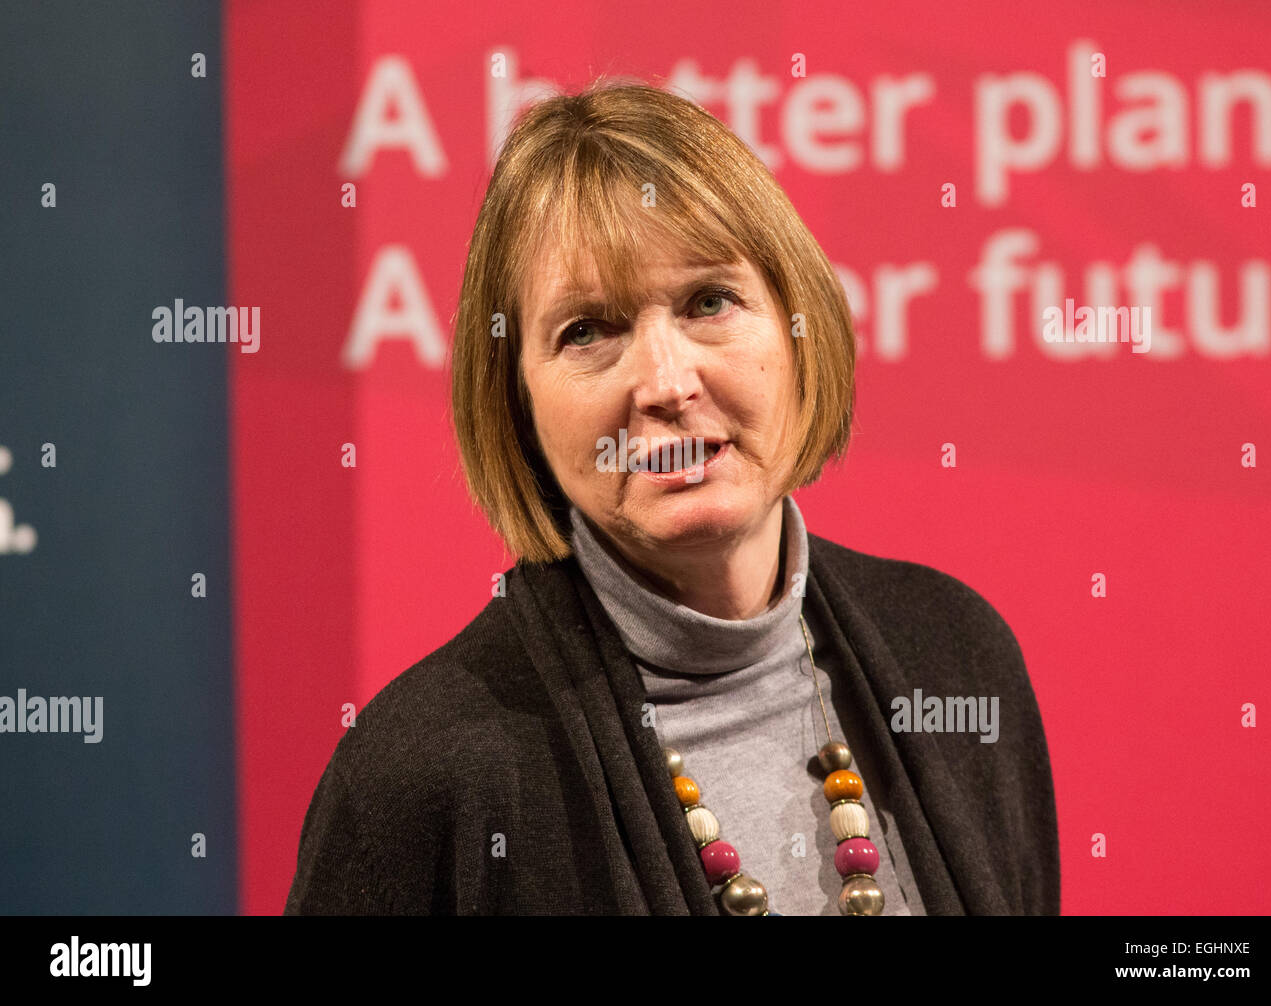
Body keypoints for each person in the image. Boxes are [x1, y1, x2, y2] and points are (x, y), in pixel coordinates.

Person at [284, 79, 1059, 916]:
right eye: (588, 330)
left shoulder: (955, 655)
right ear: (517, 402)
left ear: (801, 329)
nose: (665, 382)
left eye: (709, 302)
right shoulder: (420, 776)